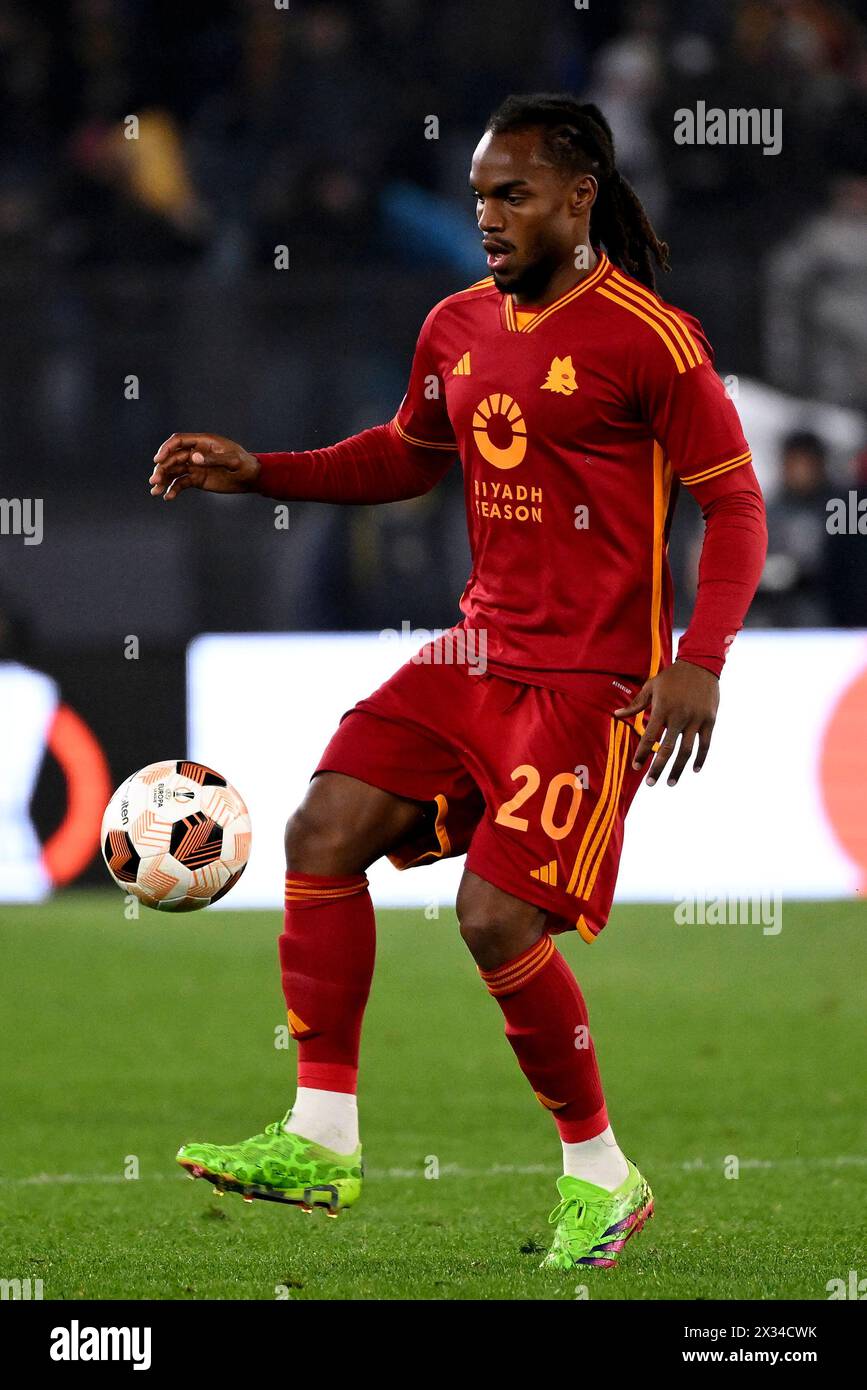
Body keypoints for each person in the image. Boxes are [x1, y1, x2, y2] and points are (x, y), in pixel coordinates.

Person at [149, 95, 767, 1271]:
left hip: (592, 682)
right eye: (480, 195)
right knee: (321, 826)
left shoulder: (652, 337)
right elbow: (406, 456)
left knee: (493, 916)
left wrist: (699, 660)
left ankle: (602, 1172)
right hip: (475, 655)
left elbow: (734, 505)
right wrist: (261, 469)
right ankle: (321, 1135)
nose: (487, 216)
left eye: (513, 194)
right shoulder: (454, 325)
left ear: (580, 197)